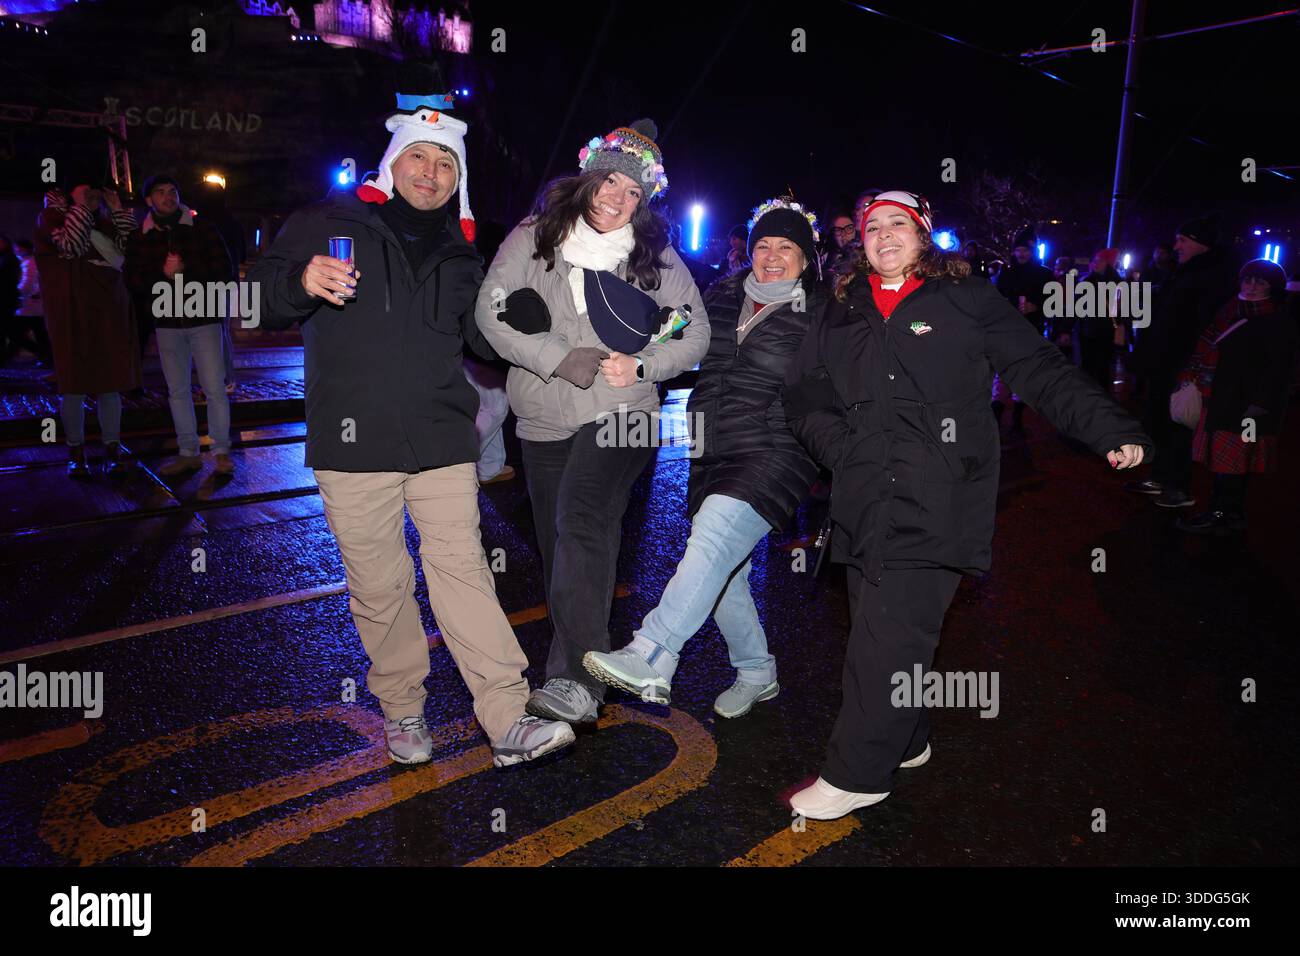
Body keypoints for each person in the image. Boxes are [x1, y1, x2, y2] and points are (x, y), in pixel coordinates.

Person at [782, 190, 1150, 820]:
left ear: (924, 237)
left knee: (885, 637)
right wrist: (837, 446)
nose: (886, 235)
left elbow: (1039, 368)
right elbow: (804, 391)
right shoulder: (840, 306)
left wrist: (1111, 429)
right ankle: (910, 738)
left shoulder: (967, 299)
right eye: (874, 227)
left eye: (901, 224)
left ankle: (858, 772)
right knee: (880, 627)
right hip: (862, 492)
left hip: (939, 494)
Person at [248, 92, 574, 768]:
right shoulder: (326, 222)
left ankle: (508, 715)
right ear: (393, 162)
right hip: (353, 443)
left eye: (445, 165)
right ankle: (401, 710)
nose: (430, 172)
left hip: (439, 438)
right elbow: (258, 292)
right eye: (418, 159)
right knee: (380, 585)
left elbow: (483, 347)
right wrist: (303, 278)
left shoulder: (464, 257)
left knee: (462, 572)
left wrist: (525, 317)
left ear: (458, 181)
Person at [475, 118, 709, 725]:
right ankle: (587, 665)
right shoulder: (534, 238)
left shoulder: (653, 254)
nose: (617, 197)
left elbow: (692, 326)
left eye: (633, 192)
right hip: (542, 417)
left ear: (645, 201)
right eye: (609, 181)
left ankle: (575, 679)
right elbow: (491, 311)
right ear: (587, 180)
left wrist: (646, 362)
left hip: (624, 415)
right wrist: (558, 357)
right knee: (562, 547)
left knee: (582, 515)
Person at [582, 197, 824, 716]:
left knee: (713, 536)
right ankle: (757, 670)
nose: (772, 255)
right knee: (722, 571)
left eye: (787, 246)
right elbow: (676, 339)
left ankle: (654, 650)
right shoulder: (720, 294)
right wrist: (639, 353)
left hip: (779, 449)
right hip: (710, 445)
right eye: (763, 245)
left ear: (807, 257)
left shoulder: (825, 312)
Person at [124, 174, 237, 476]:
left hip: (204, 318)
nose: (168, 196)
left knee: (214, 387)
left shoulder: (201, 228)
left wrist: (186, 270)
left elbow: (223, 270)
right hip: (167, 322)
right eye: (160, 192)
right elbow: (133, 280)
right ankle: (188, 451)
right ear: (149, 200)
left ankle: (221, 451)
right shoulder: (141, 237)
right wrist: (161, 274)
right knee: (177, 390)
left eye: (172, 191)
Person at [1175, 259, 1297, 534]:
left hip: (1248, 406)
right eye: (1248, 280)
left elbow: (1279, 370)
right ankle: (1229, 513)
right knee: (1225, 461)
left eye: (1261, 282)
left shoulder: (1277, 321)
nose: (1252, 286)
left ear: (1273, 288)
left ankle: (1222, 514)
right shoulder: (1229, 311)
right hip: (1220, 398)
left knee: (1232, 462)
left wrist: (1258, 405)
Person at [1125, 213, 1238, 509]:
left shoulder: (1211, 277)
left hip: (1182, 366)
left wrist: (1190, 365)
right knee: (1160, 421)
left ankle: (1179, 487)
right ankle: (1161, 478)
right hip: (1165, 363)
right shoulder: (1185, 272)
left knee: (1178, 425)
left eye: (1183, 240)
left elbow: (1203, 327)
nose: (1176, 246)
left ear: (1202, 244)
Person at [34, 175, 141, 479]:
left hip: (108, 310)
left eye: (97, 194)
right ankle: (76, 452)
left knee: (110, 385)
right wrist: (81, 207)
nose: (94, 198)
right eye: (87, 192)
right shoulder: (51, 218)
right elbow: (72, 244)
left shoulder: (105, 222)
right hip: (73, 311)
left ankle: (112, 448)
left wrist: (118, 210)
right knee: (74, 387)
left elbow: (131, 254)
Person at [993, 226, 1054, 433]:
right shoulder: (1007, 273)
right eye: (1018, 249)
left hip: (1031, 330)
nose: (1021, 254)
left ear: (1033, 251)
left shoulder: (1045, 274)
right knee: (1003, 374)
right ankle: (996, 416)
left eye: (1025, 250)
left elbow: (1053, 302)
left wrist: (1036, 306)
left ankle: (1017, 418)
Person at [1075, 248, 1122, 391]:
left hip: (1105, 332)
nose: (1096, 263)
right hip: (1088, 330)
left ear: (1109, 263)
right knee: (1087, 366)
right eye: (1095, 260)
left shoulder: (1118, 283)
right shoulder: (1087, 280)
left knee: (1102, 368)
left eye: (1100, 260)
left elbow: (1123, 310)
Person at [823, 210, 859, 286]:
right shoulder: (826, 258)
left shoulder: (863, 257)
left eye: (849, 228)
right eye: (838, 230)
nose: (843, 234)